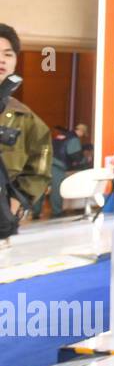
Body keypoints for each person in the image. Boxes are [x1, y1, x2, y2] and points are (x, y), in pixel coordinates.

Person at [0, 24, 52, 237]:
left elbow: (40, 167)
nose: (2, 60)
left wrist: (17, 202)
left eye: (8, 54)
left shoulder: (25, 117)